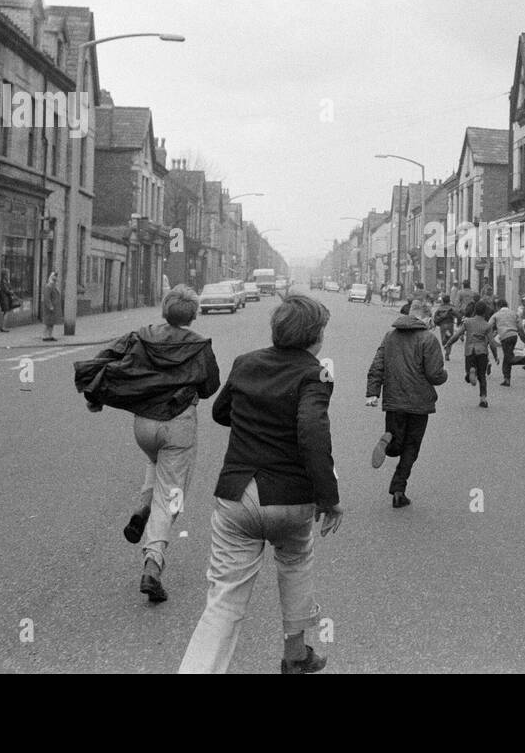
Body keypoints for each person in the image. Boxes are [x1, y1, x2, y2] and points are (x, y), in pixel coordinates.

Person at [178, 295, 342, 675]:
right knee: (296, 560)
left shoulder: (246, 363)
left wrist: (255, 419)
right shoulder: (314, 373)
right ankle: (295, 654)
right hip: (290, 499)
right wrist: (328, 498)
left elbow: (222, 412)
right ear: (314, 337)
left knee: (224, 601)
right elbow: (312, 433)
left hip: (238, 495)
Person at [73, 285, 220, 603]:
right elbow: (210, 386)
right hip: (178, 424)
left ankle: (143, 508)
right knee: (171, 497)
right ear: (193, 315)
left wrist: (95, 397)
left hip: (143, 426)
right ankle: (152, 565)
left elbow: (104, 360)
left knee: (156, 465)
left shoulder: (139, 335)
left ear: (164, 308)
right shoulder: (198, 345)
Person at [366, 299, 448, 507]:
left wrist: (373, 392)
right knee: (412, 447)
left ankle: (388, 443)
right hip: (419, 403)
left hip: (394, 400)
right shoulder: (428, 339)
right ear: (427, 318)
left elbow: (378, 364)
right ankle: (398, 490)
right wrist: (444, 375)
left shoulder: (390, 336)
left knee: (396, 443)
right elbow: (434, 374)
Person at [444, 301, 499, 408]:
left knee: (469, 372)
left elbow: (457, 334)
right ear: (485, 312)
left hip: (470, 351)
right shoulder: (487, 325)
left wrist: (449, 343)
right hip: (482, 351)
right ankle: (483, 399)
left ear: (475, 310)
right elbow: (492, 343)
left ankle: (471, 370)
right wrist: (496, 356)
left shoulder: (468, 322)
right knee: (482, 376)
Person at [489, 299, 525, 384]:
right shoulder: (514, 313)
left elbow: (489, 326)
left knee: (509, 358)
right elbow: (520, 327)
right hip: (514, 336)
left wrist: (490, 335)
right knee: (507, 357)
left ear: (498, 306)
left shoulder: (496, 315)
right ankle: (507, 379)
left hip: (505, 337)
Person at [432, 294, 457, 358]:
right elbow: (457, 314)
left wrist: (435, 323)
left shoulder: (440, 308)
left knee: (443, 342)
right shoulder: (452, 307)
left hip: (442, 325)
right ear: (449, 301)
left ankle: (445, 337)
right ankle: (447, 353)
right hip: (450, 324)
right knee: (450, 340)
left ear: (442, 300)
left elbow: (435, 317)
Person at [41, 271, 61, 341]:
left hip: (54, 307)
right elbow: (47, 297)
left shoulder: (54, 286)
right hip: (49, 308)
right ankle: (45, 336)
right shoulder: (48, 286)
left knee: (52, 322)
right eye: (54, 277)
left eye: (56, 277)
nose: (55, 279)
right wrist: (50, 306)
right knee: (47, 322)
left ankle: (50, 335)